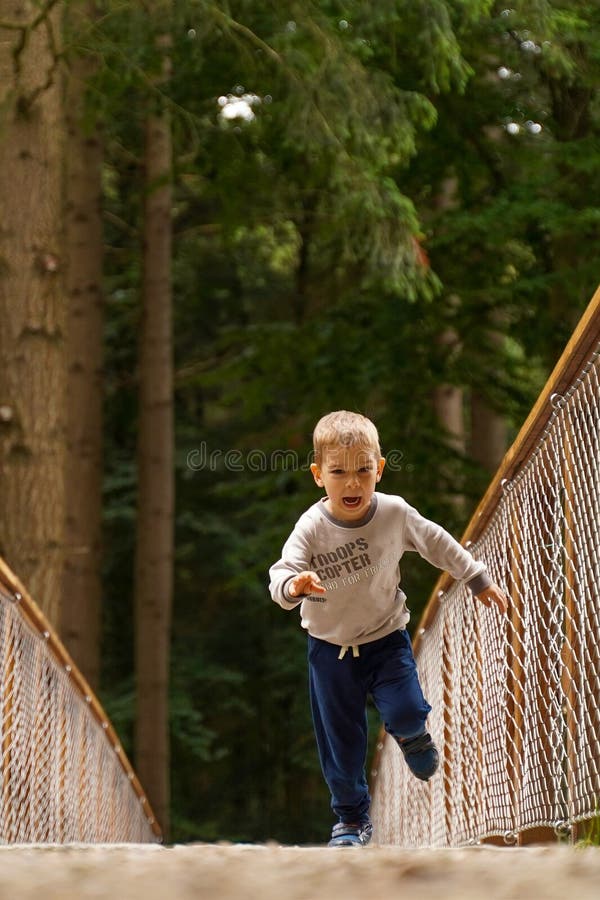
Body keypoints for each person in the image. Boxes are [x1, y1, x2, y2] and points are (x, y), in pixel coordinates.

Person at [269, 410, 508, 848]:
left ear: (379, 468)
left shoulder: (393, 513)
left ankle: (413, 733)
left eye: (364, 470)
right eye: (339, 472)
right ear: (318, 476)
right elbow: (280, 573)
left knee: (404, 709)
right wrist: (293, 585)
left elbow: (436, 542)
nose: (353, 483)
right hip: (329, 651)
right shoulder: (311, 527)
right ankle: (351, 821)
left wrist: (475, 577)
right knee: (341, 743)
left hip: (385, 639)